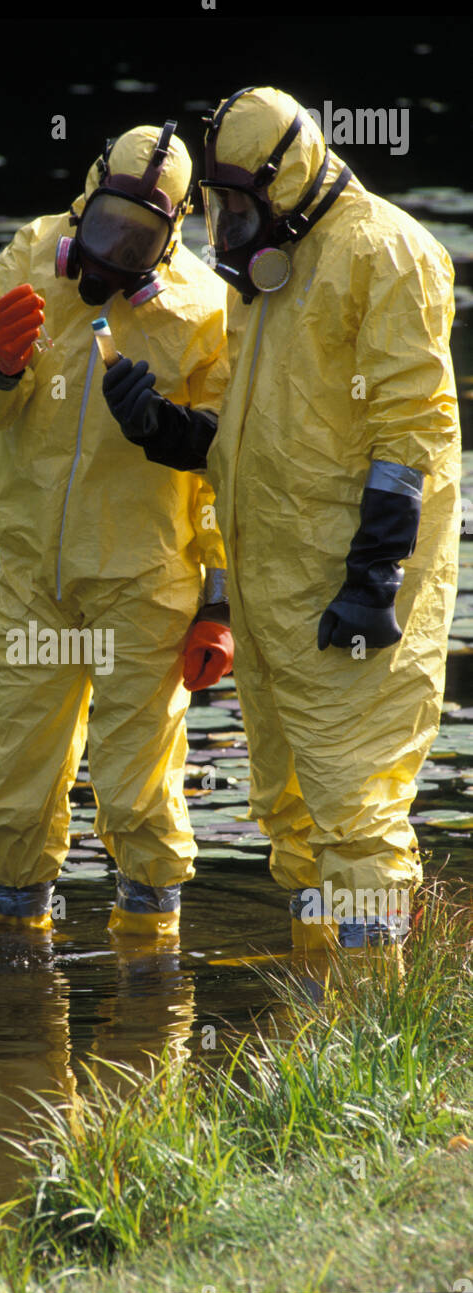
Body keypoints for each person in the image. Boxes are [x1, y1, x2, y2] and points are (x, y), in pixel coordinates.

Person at [100, 87, 461, 952]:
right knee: (293, 815)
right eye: (216, 204)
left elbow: (412, 428)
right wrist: (162, 429)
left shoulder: (385, 253)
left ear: (283, 177)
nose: (223, 223)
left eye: (235, 202)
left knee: (355, 809)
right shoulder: (270, 272)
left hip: (355, 592)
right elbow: (251, 438)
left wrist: (373, 579)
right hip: (276, 593)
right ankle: (320, 1018)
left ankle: (375, 1018)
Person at [0, 122, 233, 937]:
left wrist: (217, 601)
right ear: (84, 200)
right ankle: (12, 978)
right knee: (13, 784)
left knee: (137, 788)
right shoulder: (33, 254)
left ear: (174, 232)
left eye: (137, 239)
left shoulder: (205, 308)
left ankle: (151, 969)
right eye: (104, 226)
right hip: (37, 580)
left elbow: (225, 468)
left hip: (143, 585)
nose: (110, 255)